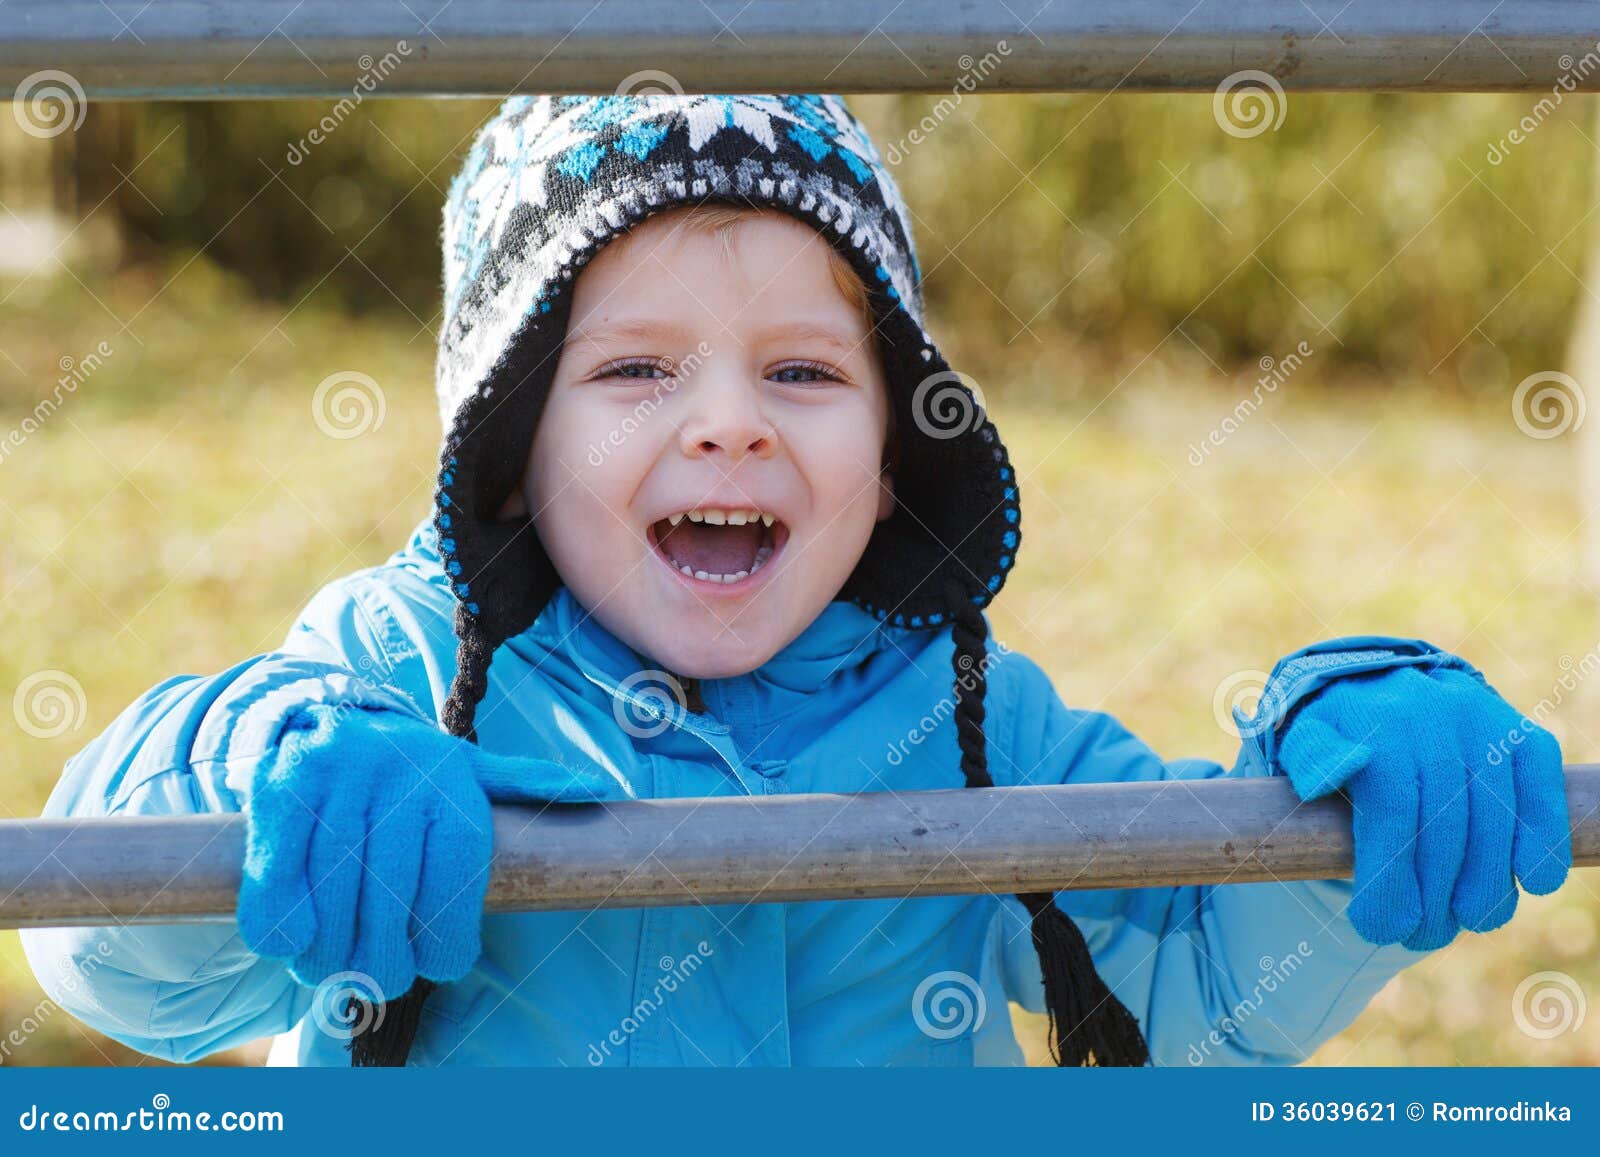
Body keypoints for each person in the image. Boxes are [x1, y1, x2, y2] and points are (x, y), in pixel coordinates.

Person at [19, 94, 1571, 1068]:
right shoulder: (398, 670)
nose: (730, 420)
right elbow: (113, 968)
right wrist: (262, 768)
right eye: (633, 367)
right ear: (504, 452)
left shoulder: (964, 719)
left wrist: (1332, 809)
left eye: (805, 370)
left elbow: (1197, 1007)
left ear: (897, 452)